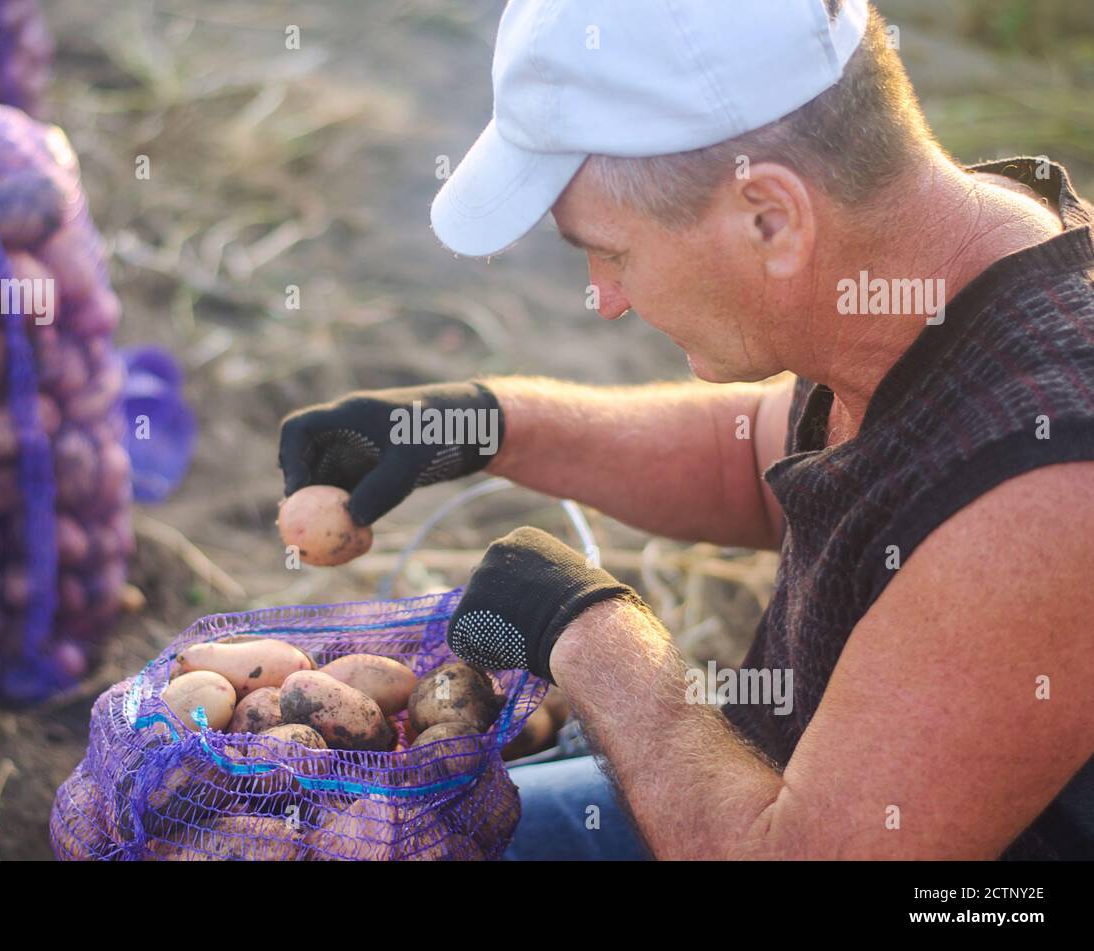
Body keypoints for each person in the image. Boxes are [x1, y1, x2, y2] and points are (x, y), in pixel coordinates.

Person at [277, 0, 1094, 859]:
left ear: (770, 218)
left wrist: (591, 635)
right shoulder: (930, 258)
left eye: (614, 252)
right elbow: (753, 457)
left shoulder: (1047, 484)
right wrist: (482, 423)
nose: (606, 297)